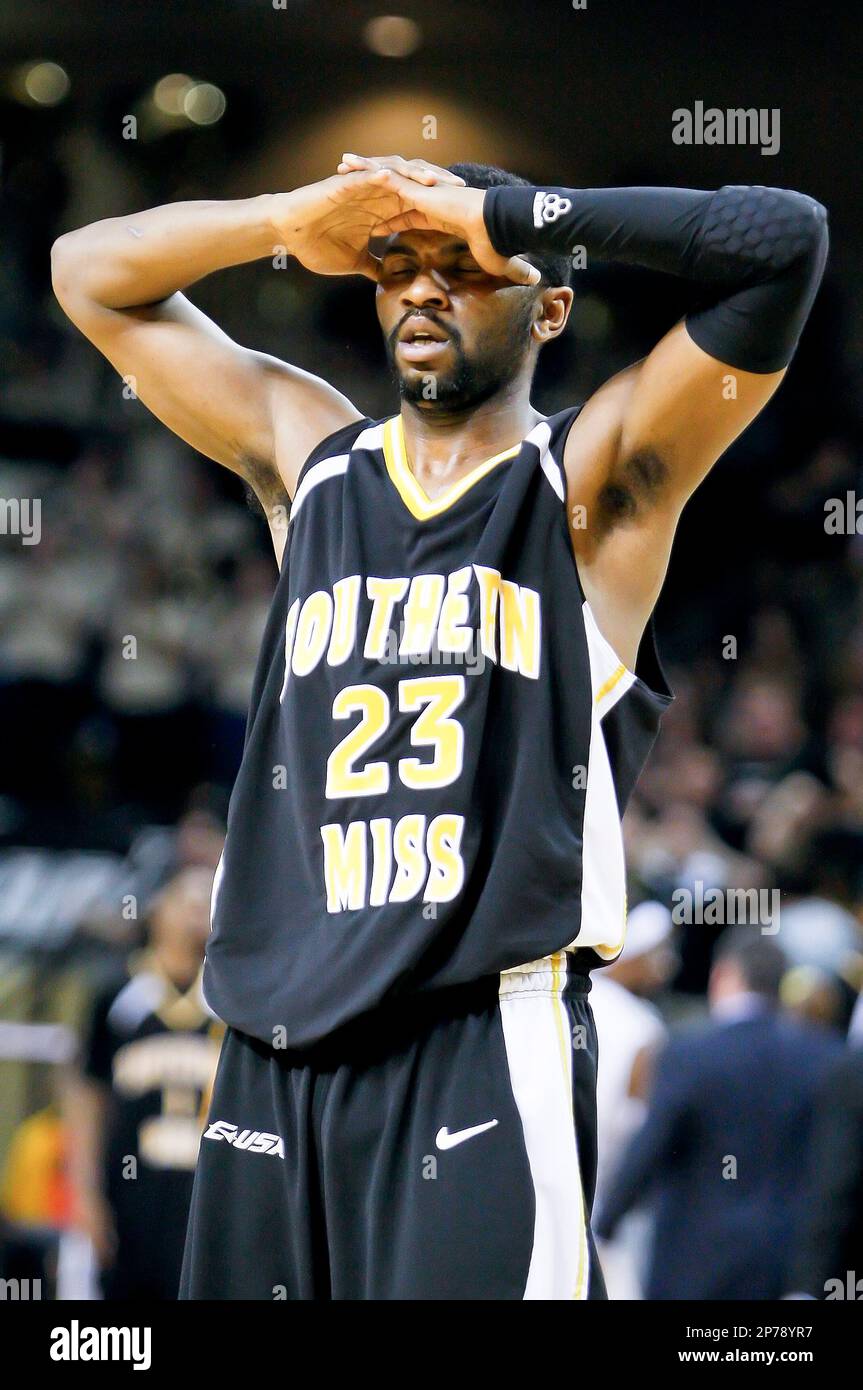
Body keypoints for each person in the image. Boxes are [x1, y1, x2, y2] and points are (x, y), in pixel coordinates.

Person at [52, 155, 827, 1299]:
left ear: (549, 306)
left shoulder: (589, 481)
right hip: (272, 1049)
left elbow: (782, 241)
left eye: (460, 269)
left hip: (473, 1037)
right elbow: (87, 273)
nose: (421, 289)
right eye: (396, 267)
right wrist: (286, 217)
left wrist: (501, 215)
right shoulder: (308, 456)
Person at [594, 928, 842, 1299]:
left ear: (723, 975)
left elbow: (651, 1145)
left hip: (692, 1258)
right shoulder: (823, 1060)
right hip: (782, 1262)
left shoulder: (688, 1053)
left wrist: (605, 1225)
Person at [64, 867, 222, 1299]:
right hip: (131, 1194)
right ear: (156, 909)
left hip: (202, 1200)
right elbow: (86, 1098)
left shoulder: (232, 999)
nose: (197, 913)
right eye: (186, 901)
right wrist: (85, 1193)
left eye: (206, 902)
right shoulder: (117, 994)